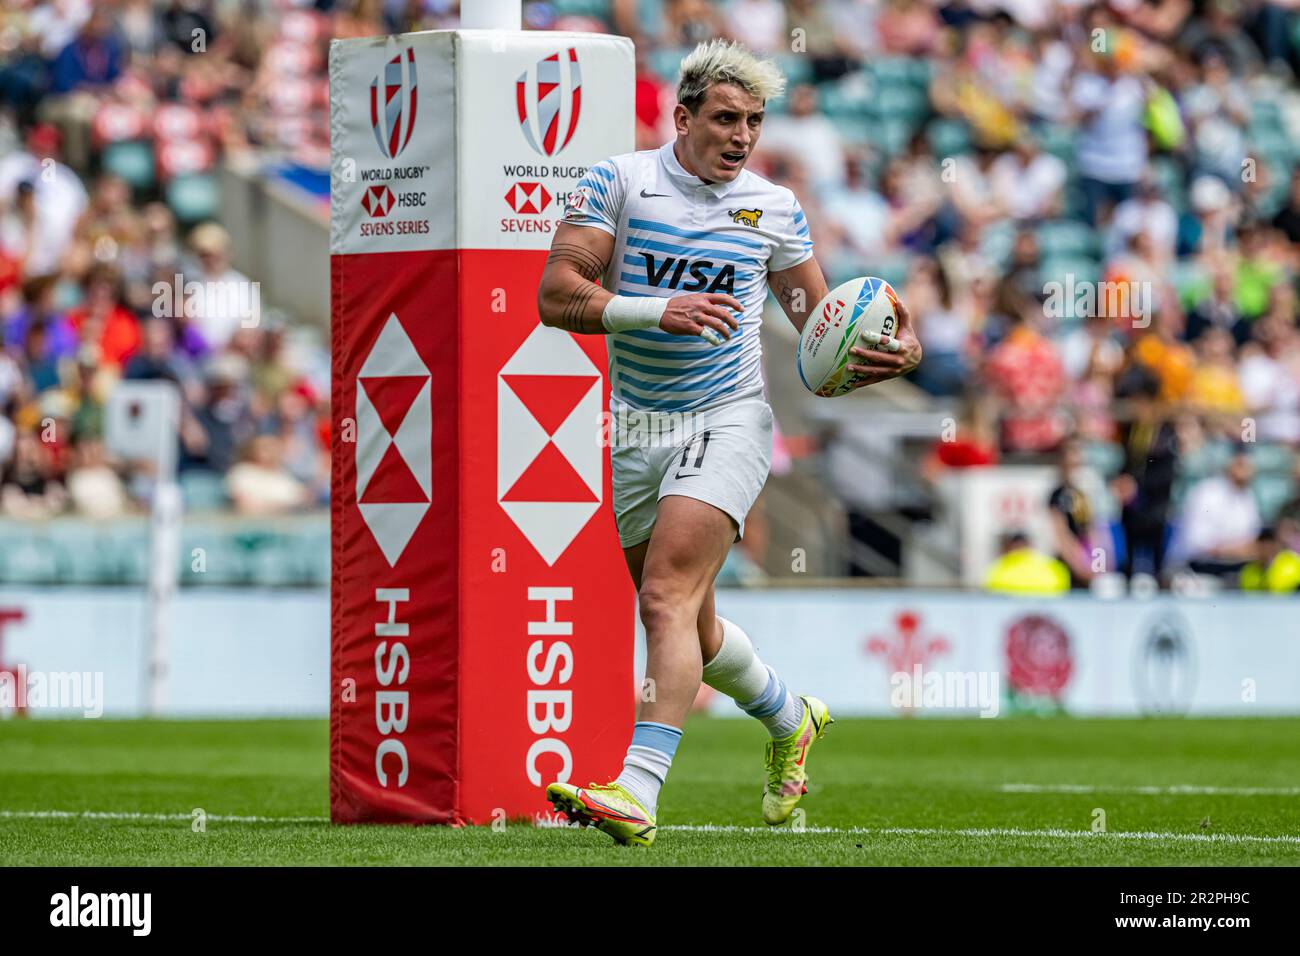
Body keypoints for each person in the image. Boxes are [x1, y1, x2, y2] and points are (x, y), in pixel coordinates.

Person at [534, 40, 921, 847]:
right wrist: (654, 309)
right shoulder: (618, 181)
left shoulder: (773, 209)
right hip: (636, 425)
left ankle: (636, 792)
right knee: (695, 628)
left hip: (729, 417)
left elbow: (823, 352)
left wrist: (891, 358)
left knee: (662, 599)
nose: (741, 135)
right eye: (724, 118)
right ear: (683, 117)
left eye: (753, 121)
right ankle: (791, 716)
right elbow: (555, 295)